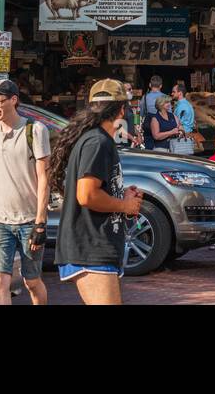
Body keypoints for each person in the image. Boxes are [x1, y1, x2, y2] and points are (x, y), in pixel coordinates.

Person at [48, 80, 143, 304]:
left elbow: (95, 189)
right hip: (90, 246)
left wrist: (122, 196)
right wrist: (125, 205)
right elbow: (87, 195)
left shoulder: (98, 140)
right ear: (122, 109)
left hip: (96, 245)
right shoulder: (96, 142)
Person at [0, 78, 51, 305]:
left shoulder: (34, 130)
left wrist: (40, 222)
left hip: (29, 220)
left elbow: (44, 177)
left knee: (31, 280)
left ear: (14, 100)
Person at [171, 83, 196, 155]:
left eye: (174, 92)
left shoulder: (182, 106)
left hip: (182, 140)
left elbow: (176, 123)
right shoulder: (187, 104)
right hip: (185, 138)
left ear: (180, 93)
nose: (172, 93)